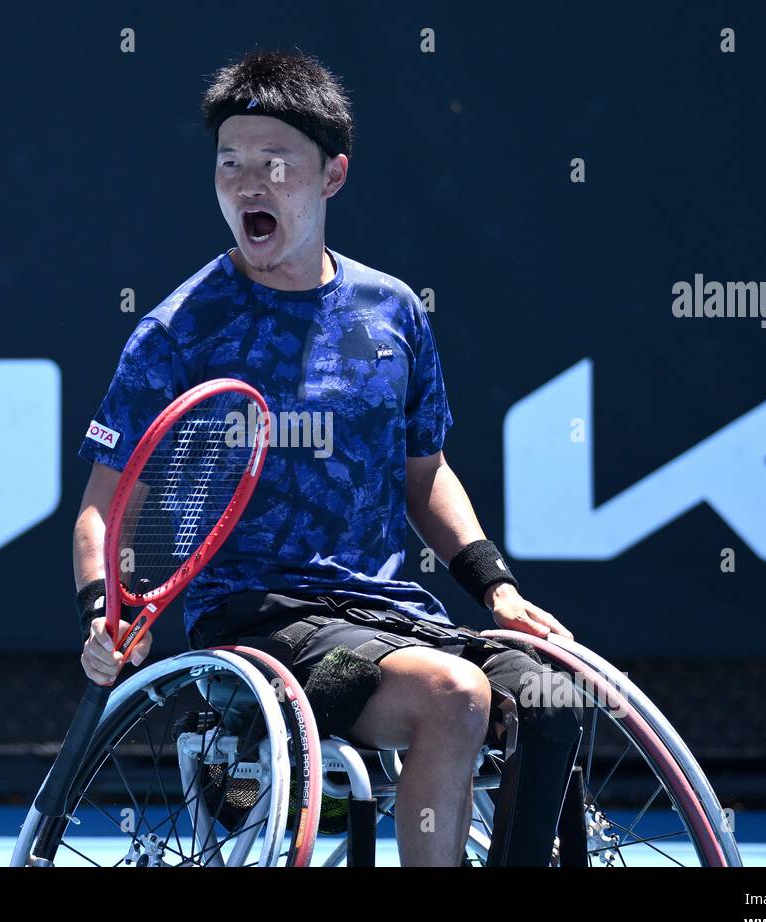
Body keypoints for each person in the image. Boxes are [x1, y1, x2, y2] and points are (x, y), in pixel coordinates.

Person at [73, 49, 582, 866]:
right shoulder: (177, 332)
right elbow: (106, 505)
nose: (248, 185)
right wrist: (106, 609)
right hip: (259, 628)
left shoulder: (394, 313)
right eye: (229, 164)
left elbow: (426, 474)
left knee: (553, 698)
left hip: (389, 614)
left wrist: (498, 586)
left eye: (274, 165)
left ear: (332, 176)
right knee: (454, 697)